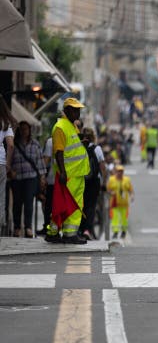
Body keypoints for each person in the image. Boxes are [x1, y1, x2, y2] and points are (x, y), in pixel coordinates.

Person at [46, 98, 90, 244]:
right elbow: (59, 152)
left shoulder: (71, 126)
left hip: (76, 173)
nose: (78, 113)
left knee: (70, 204)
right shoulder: (60, 127)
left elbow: (71, 146)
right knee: (67, 204)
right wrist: (63, 173)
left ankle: (60, 232)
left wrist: (82, 142)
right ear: (68, 110)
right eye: (76, 110)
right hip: (69, 174)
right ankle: (67, 234)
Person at [9, 121, 45, 238]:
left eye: (26, 129)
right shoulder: (14, 144)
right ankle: (17, 227)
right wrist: (10, 171)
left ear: (29, 131)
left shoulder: (35, 144)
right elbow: (9, 160)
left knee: (29, 202)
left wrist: (42, 178)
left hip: (31, 178)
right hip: (17, 178)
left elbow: (40, 162)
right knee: (17, 203)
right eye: (22, 129)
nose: (24, 131)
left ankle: (28, 227)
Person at [79, 129, 107, 240]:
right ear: (93, 137)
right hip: (94, 181)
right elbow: (102, 167)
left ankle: (80, 229)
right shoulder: (97, 149)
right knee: (91, 206)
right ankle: (87, 230)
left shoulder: (79, 147)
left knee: (81, 205)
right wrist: (104, 182)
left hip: (81, 180)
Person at [107, 165, 133, 239]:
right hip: (114, 203)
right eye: (118, 171)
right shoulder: (112, 180)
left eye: (121, 171)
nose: (120, 173)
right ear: (116, 172)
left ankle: (124, 232)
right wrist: (111, 193)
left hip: (124, 204)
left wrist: (132, 196)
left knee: (124, 219)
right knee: (115, 218)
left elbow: (130, 189)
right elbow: (108, 189)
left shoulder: (127, 180)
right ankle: (115, 232)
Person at [0, 99, 14, 233]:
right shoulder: (5, 123)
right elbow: (10, 145)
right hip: (1, 163)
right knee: (1, 195)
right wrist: (8, 164)